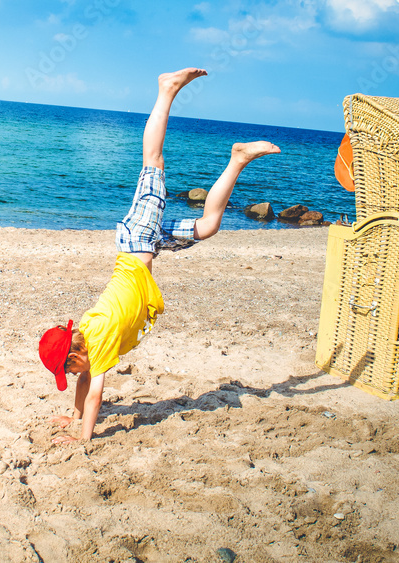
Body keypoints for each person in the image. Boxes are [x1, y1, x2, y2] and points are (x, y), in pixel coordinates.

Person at [38, 68, 280, 443]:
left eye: (67, 370)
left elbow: (96, 391)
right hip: (146, 245)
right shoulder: (85, 340)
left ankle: (166, 90)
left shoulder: (96, 342)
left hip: (138, 240)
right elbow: (86, 380)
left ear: (74, 355)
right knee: (208, 226)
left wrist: (83, 436)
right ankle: (238, 159)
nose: (72, 376)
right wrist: (73, 416)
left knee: (153, 161)